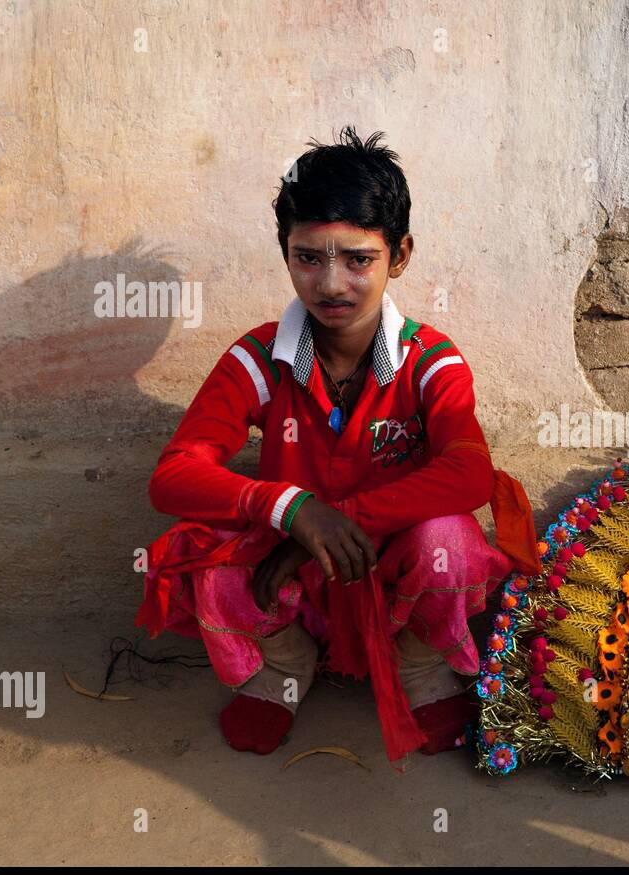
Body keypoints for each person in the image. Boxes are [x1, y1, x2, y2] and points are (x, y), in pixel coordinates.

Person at [136, 127, 539, 761]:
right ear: (285, 253)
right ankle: (284, 666)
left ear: (399, 256)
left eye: (358, 259)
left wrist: (341, 522)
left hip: (389, 575)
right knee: (205, 554)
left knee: (451, 543)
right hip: (297, 585)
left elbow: (466, 475)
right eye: (308, 257)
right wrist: (292, 512)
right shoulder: (259, 358)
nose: (330, 285)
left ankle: (420, 667)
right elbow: (174, 476)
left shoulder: (429, 360)